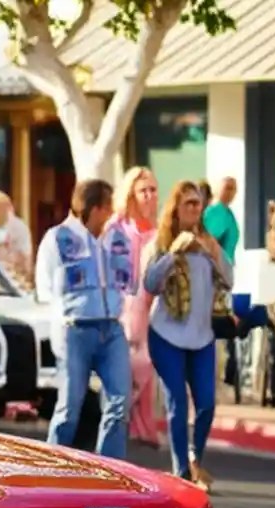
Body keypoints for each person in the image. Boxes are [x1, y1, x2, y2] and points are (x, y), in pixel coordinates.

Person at [142, 180, 233, 491]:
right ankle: (181, 472)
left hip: (202, 337)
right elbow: (150, 284)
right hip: (166, 335)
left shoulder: (207, 242)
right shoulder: (161, 242)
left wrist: (215, 253)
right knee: (177, 402)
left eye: (198, 204)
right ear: (176, 209)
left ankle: (196, 457)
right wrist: (172, 253)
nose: (195, 209)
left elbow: (230, 279)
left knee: (206, 402)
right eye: (189, 204)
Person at [33, 179, 134, 459]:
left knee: (120, 401)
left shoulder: (117, 239)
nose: (110, 214)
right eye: (105, 207)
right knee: (69, 406)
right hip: (75, 330)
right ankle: (52, 468)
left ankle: (109, 467)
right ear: (91, 208)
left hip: (111, 328)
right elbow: (45, 289)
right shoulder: (57, 238)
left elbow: (129, 282)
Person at [106, 166, 162, 448]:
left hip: (151, 307)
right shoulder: (116, 227)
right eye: (143, 191)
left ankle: (142, 427)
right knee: (131, 365)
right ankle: (122, 423)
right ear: (131, 194)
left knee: (147, 364)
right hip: (122, 307)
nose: (150, 196)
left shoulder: (158, 231)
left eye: (153, 190)